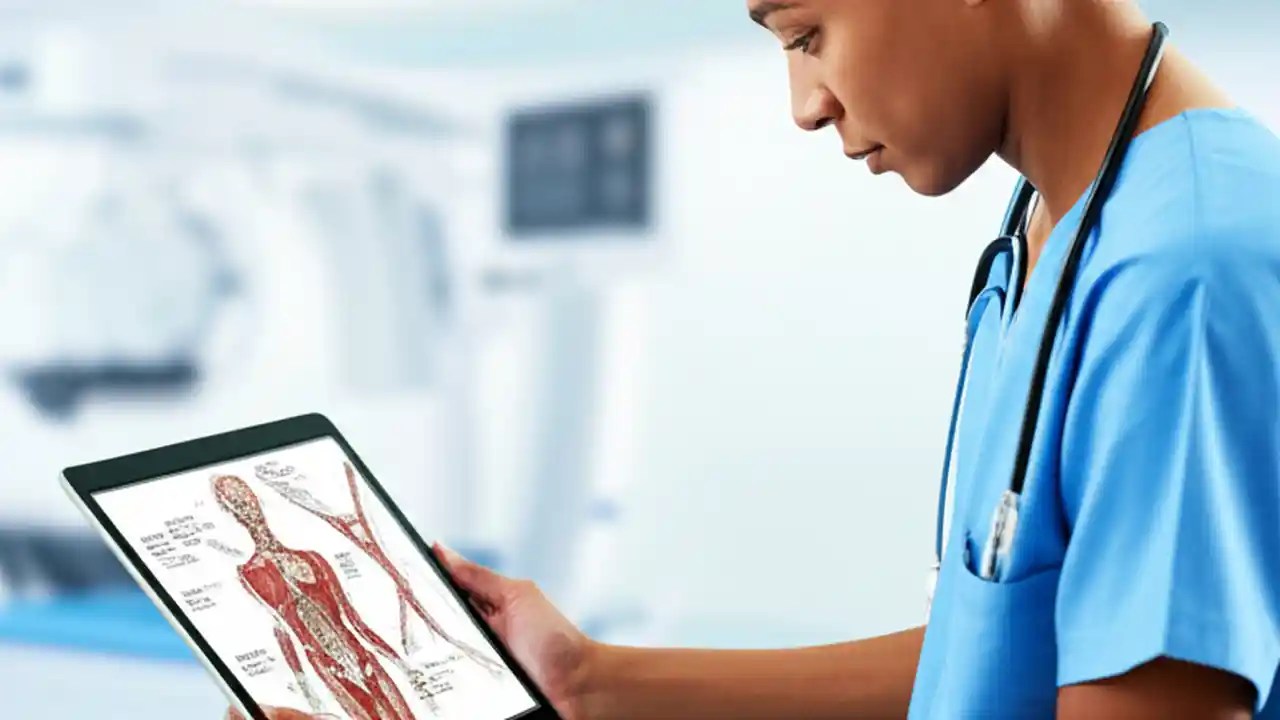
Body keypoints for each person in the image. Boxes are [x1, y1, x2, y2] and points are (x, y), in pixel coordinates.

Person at [230, 0, 1280, 717]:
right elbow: (1010, 651)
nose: (804, 103)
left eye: (808, 32)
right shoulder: (1051, 228)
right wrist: (593, 682)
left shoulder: (1183, 268)